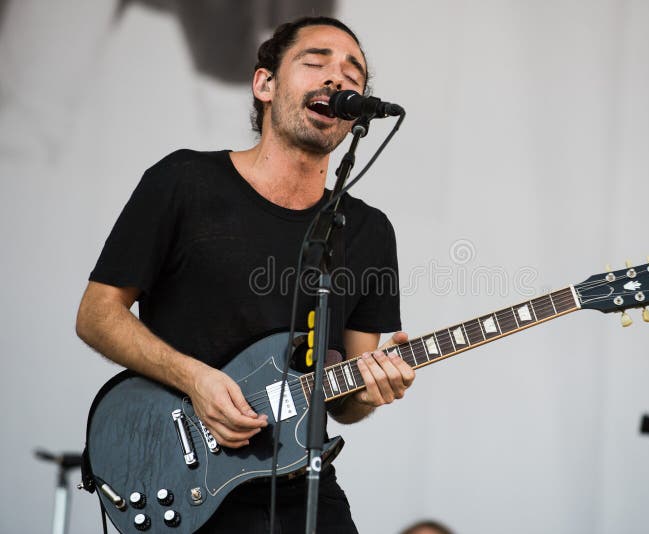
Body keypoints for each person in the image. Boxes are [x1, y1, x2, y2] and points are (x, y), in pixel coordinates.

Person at [75, 16, 414, 533]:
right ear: (264, 84)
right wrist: (195, 379)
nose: (338, 78)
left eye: (353, 75)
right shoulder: (183, 181)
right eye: (316, 62)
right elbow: (97, 314)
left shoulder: (369, 231)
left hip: (303, 489)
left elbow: (345, 400)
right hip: (183, 478)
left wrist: (370, 390)